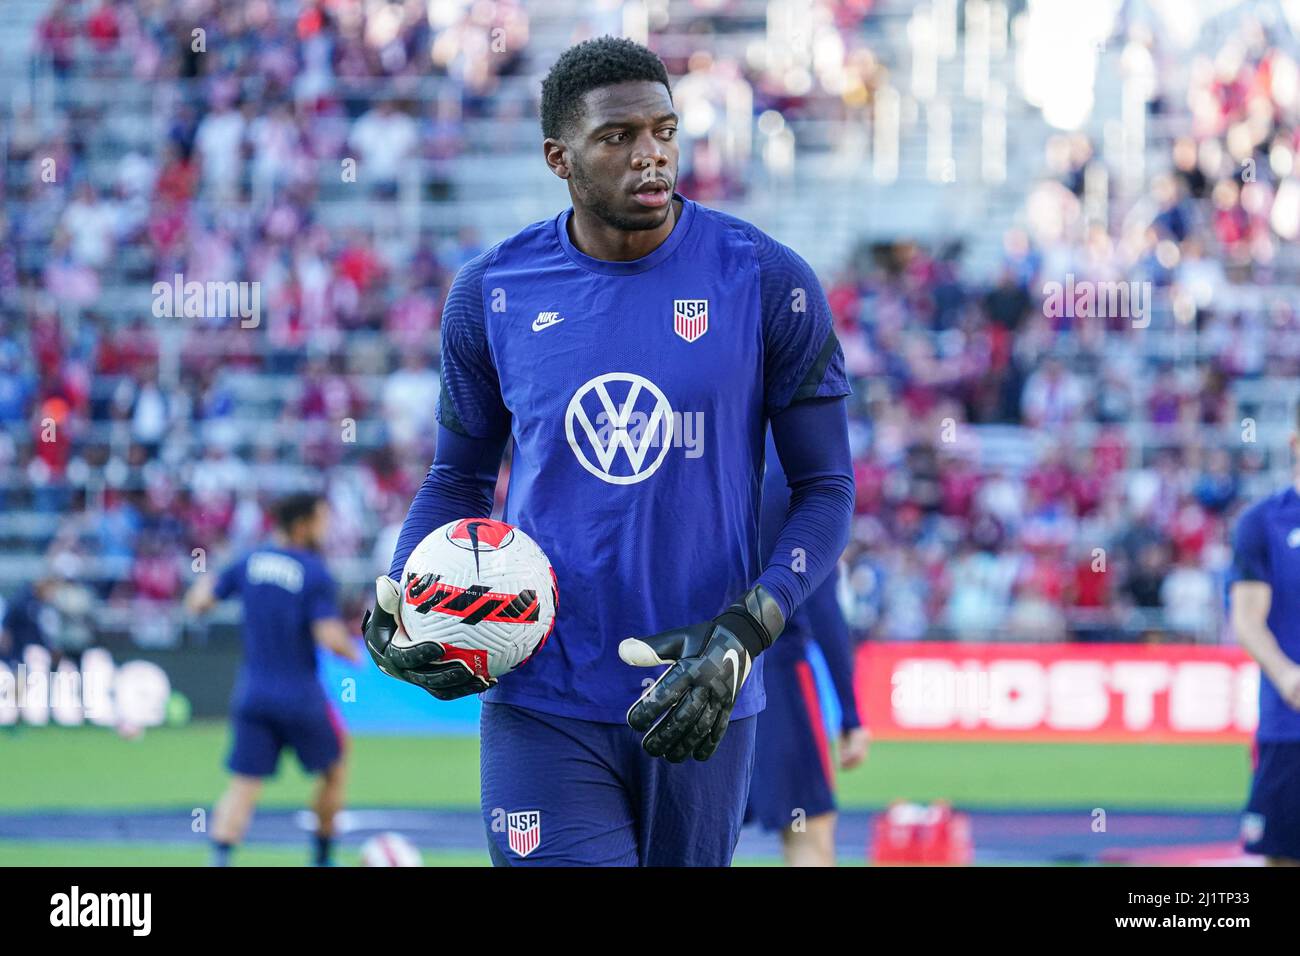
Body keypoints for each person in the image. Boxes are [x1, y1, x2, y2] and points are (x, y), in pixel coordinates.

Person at [363, 36, 855, 866]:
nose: (650, 155)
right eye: (617, 138)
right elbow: (457, 477)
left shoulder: (770, 281)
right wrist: (406, 588)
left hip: (703, 698)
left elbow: (828, 488)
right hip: (542, 697)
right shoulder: (490, 293)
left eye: (664, 130)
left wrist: (747, 630)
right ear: (559, 156)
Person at [185, 493, 360, 866]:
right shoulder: (314, 572)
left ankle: (220, 857)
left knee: (244, 784)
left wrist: (200, 597)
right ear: (301, 525)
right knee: (334, 769)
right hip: (300, 697)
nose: (325, 528)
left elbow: (200, 601)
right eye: (321, 520)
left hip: (254, 694)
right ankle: (323, 856)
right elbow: (328, 635)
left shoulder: (249, 560)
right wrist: (357, 655)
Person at [746, 435, 868, 866]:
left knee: (692, 838)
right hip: (774, 672)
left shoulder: (705, 447)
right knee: (809, 835)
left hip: (696, 665)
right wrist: (851, 716)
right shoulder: (801, 464)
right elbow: (821, 602)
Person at [1230, 399, 1300, 866]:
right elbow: (1247, 618)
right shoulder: (1262, 522)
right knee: (1280, 854)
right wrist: (1289, 676)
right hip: (1289, 724)